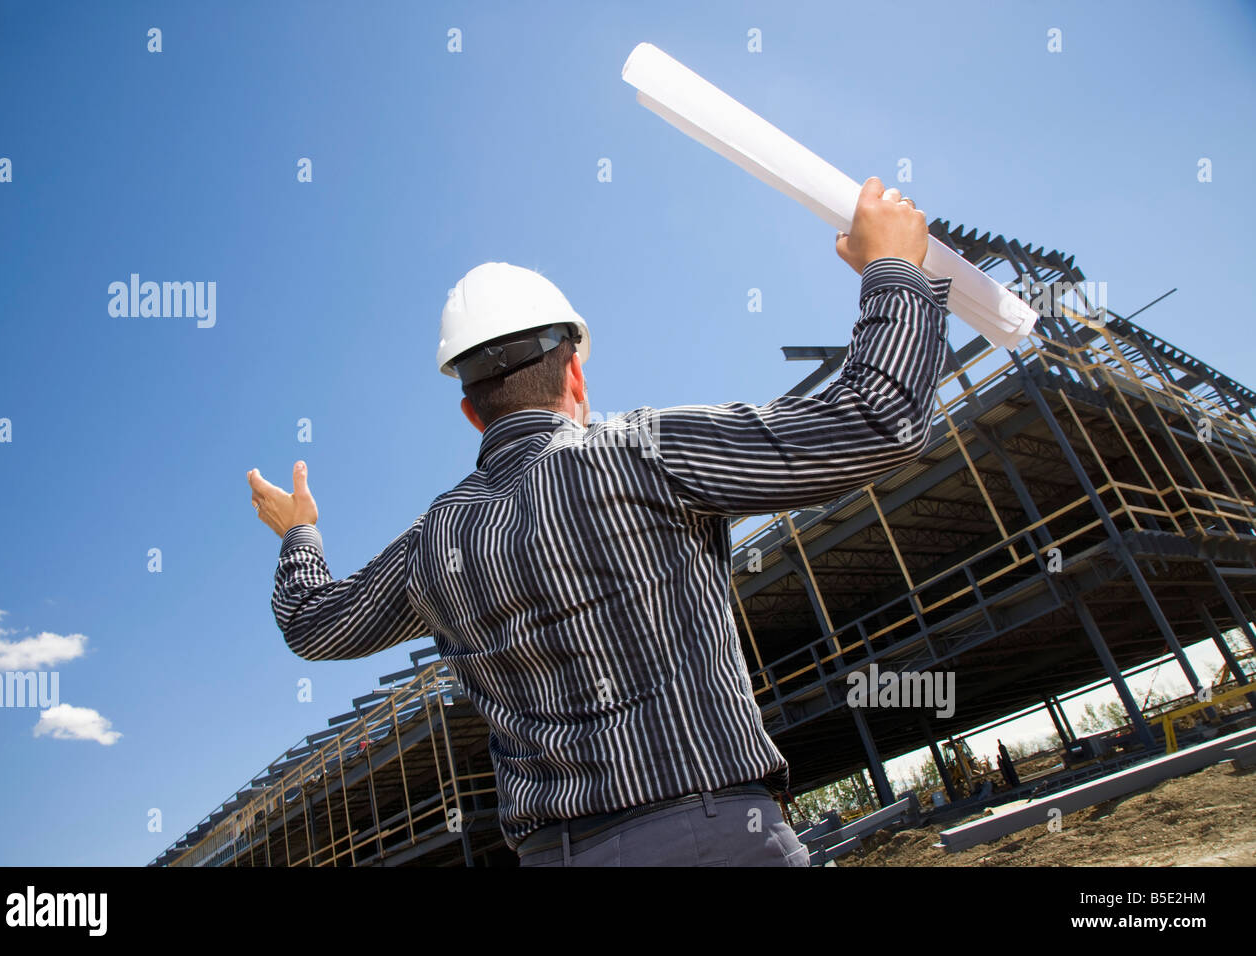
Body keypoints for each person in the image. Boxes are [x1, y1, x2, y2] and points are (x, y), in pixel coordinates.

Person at [247, 176, 950, 866]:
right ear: (574, 375)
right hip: (714, 837)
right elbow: (876, 420)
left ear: (471, 412)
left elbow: (314, 623)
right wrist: (894, 270)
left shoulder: (434, 544)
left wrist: (298, 532)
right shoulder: (639, 452)